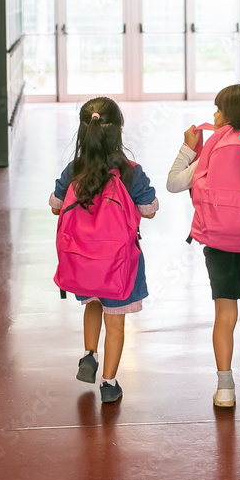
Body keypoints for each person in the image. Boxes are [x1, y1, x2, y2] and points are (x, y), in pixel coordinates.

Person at [166, 84, 240, 408]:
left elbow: (173, 183)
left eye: (218, 109)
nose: (214, 115)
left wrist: (188, 148)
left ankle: (224, 387)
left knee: (224, 313)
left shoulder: (215, 142)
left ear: (229, 115)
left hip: (218, 239)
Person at [50, 97, 159, 404]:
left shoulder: (74, 169)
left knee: (92, 302)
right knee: (116, 321)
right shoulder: (131, 172)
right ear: (119, 132)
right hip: (119, 264)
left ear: (84, 133)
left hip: (83, 262)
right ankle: (109, 383)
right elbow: (149, 210)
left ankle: (88, 354)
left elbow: (57, 206)